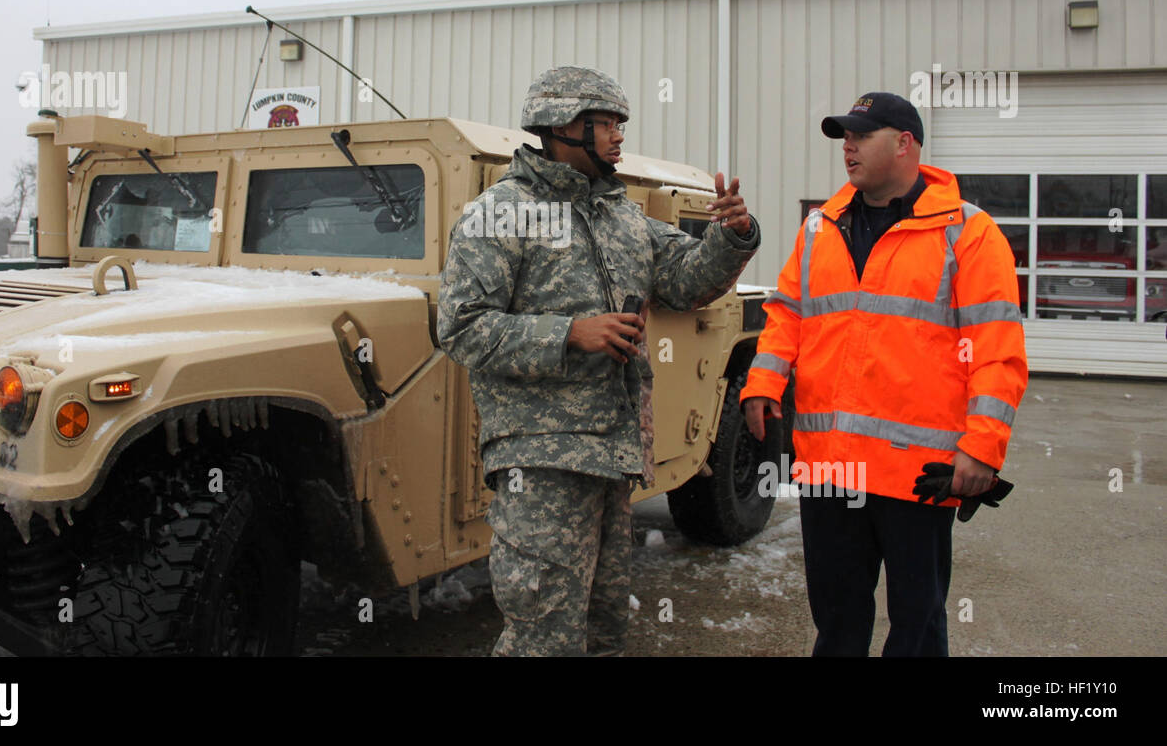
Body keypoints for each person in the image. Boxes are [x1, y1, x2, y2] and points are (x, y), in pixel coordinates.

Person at [437, 65, 760, 656]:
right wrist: (570, 334)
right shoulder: (498, 214)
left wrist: (731, 237)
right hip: (541, 459)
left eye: (619, 124)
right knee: (545, 635)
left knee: (603, 627)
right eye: (605, 123)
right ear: (562, 127)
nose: (618, 136)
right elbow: (460, 328)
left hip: (612, 455)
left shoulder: (621, 215)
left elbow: (685, 282)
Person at [741, 91, 1027, 656]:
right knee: (837, 622)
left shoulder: (967, 234)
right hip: (830, 468)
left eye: (861, 135)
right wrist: (762, 385)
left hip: (916, 473)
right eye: (843, 137)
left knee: (916, 628)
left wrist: (984, 447)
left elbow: (996, 348)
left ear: (905, 144)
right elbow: (788, 315)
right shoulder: (820, 228)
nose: (848, 147)